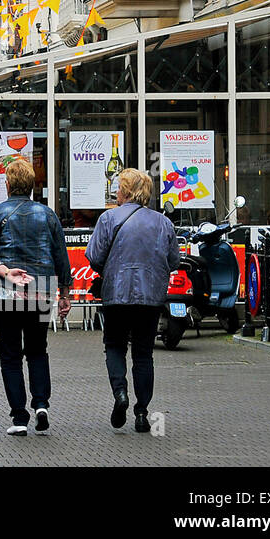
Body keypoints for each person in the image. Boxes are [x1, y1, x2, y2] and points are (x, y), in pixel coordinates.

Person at [0, 156, 72, 436]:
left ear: (7, 184)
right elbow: (60, 256)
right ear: (32, 185)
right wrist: (65, 292)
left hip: (3, 292)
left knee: (11, 356)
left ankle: (19, 417)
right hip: (41, 289)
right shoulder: (47, 214)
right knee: (38, 350)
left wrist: (1, 269)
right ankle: (41, 404)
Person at [87, 168, 181, 433]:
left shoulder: (108, 219)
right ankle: (142, 412)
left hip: (116, 294)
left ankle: (120, 394)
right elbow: (173, 260)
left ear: (126, 191)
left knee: (115, 346)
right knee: (143, 354)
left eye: (118, 187)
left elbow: (93, 256)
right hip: (150, 297)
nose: (116, 191)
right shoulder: (163, 222)